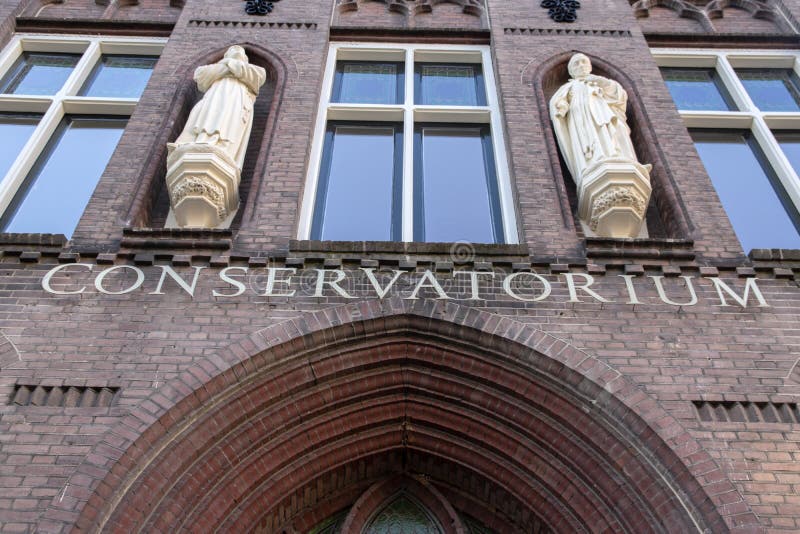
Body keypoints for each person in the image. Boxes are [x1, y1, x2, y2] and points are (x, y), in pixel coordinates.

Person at [549, 53, 650, 185]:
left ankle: (621, 158)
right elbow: (557, 103)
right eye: (576, 64)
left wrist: (598, 81)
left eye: (583, 62)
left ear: (590, 66)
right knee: (590, 137)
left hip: (602, 112)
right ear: (571, 72)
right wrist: (561, 107)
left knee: (615, 129)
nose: (581, 65)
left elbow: (618, 95)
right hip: (581, 119)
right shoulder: (568, 87)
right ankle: (594, 162)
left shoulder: (599, 81)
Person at [170, 45, 266, 167]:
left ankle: (222, 147)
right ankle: (202, 141)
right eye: (232, 50)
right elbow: (200, 75)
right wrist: (236, 70)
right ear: (225, 56)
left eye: (240, 52)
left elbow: (259, 76)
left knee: (229, 119)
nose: (237, 52)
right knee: (209, 115)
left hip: (237, 98)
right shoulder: (209, 69)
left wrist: (225, 67)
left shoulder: (255, 70)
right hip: (215, 95)